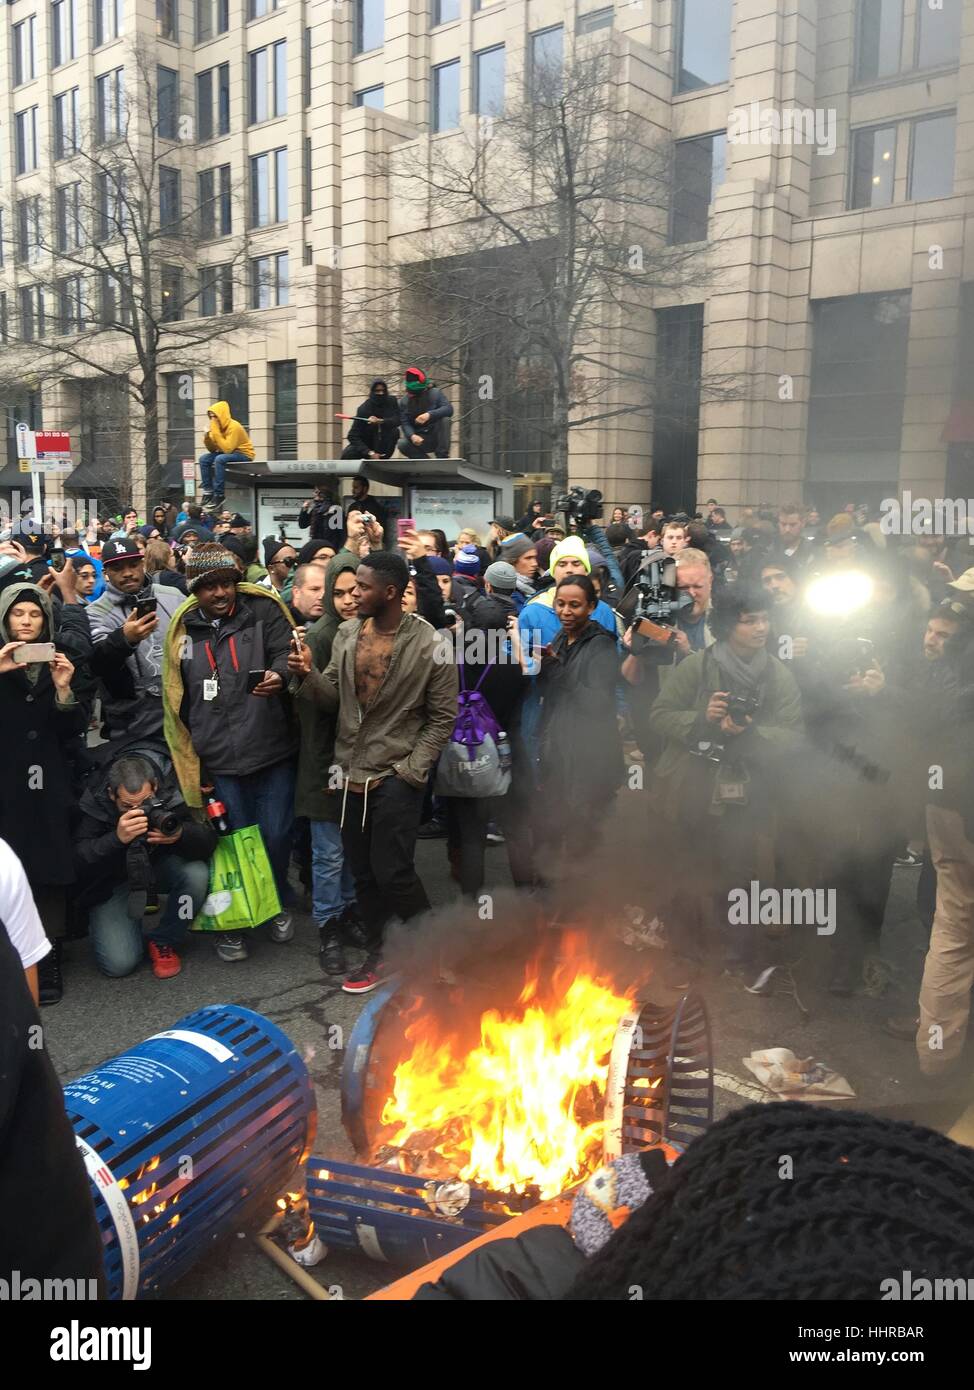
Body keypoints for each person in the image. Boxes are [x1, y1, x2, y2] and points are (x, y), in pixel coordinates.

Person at [287, 551, 458, 994]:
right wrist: (306, 675)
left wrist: (410, 772)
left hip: (396, 776)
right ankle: (381, 954)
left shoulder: (430, 644)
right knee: (362, 873)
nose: (351, 595)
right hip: (349, 774)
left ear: (389, 592)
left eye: (361, 587)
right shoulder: (346, 634)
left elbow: (442, 720)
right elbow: (331, 698)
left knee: (393, 872)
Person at [649, 582, 803, 973]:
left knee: (738, 866)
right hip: (693, 780)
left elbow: (793, 734)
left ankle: (735, 946)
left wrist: (752, 732)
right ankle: (684, 943)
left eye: (765, 619)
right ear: (728, 625)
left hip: (745, 786)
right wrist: (703, 718)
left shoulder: (778, 675)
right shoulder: (697, 666)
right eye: (748, 621)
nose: (760, 628)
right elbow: (660, 715)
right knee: (687, 859)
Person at [162, 543, 297, 961]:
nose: (220, 593)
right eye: (208, 587)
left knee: (274, 836)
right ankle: (235, 921)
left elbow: (287, 653)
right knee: (234, 844)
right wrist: (193, 764)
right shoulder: (182, 631)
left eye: (226, 583)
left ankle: (271, 904)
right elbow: (176, 700)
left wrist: (280, 674)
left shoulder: (264, 611)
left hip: (272, 749)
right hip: (218, 759)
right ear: (195, 590)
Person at [0, 584, 88, 1005]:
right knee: (10, 871)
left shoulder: (60, 662)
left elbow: (74, 733)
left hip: (49, 785)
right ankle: (12, 952)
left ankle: (48, 953)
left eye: (34, 614)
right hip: (6, 788)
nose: (26, 621)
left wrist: (64, 690)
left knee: (50, 869)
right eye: (18, 614)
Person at [74, 750, 216, 979]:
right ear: (112, 795)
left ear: (155, 786)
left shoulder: (171, 788)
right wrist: (115, 839)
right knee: (119, 964)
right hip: (114, 879)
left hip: (157, 866)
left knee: (196, 874)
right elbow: (78, 861)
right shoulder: (95, 799)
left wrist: (181, 834)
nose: (139, 811)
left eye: (145, 802)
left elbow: (209, 842)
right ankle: (121, 929)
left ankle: (165, 938)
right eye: (128, 806)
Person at [289, 549, 362, 975]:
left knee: (351, 848)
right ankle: (328, 926)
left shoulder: (368, 630)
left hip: (359, 763)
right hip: (323, 763)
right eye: (339, 592)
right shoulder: (318, 637)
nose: (349, 599)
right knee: (328, 854)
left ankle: (350, 913)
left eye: (356, 591)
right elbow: (304, 706)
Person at [533, 575, 623, 879]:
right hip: (559, 751)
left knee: (585, 834)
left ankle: (589, 904)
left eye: (575, 605)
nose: (566, 611)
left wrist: (559, 672)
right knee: (558, 826)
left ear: (592, 607)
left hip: (589, 759)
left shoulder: (602, 646)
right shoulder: (559, 637)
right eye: (560, 604)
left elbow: (597, 703)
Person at [87, 536, 186, 742]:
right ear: (105, 573)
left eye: (133, 565)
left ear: (142, 564)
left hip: (184, 720)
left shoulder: (173, 596)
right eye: (117, 568)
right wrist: (125, 639)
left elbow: (194, 644)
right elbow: (99, 662)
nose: (128, 573)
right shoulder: (95, 612)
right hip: (134, 729)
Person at [198, 400, 255, 510]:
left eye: (215, 417)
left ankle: (219, 495)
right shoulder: (216, 429)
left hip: (243, 453)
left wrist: (215, 432)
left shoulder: (234, 426)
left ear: (222, 415)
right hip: (226, 453)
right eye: (210, 417)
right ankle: (208, 491)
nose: (213, 420)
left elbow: (228, 449)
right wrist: (207, 437)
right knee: (204, 459)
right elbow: (212, 449)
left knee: (219, 459)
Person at [397, 367, 454, 459]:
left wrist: (429, 415)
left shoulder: (435, 393)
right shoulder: (404, 402)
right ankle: (423, 460)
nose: (412, 396)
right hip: (420, 439)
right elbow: (405, 423)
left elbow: (449, 409)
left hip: (437, 436)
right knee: (402, 444)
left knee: (445, 420)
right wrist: (412, 436)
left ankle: (442, 456)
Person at [341, 378, 400, 460]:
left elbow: (398, 419)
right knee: (348, 453)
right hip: (368, 445)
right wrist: (369, 452)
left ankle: (384, 457)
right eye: (377, 391)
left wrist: (381, 421)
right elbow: (352, 436)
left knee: (395, 431)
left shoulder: (392, 401)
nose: (381, 393)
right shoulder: (364, 409)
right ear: (372, 391)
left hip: (385, 444)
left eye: (383, 391)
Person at [60, 528, 105, 598]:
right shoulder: (99, 564)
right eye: (84, 576)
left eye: (93, 575)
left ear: (61, 542)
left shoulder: (52, 565)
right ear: (79, 541)